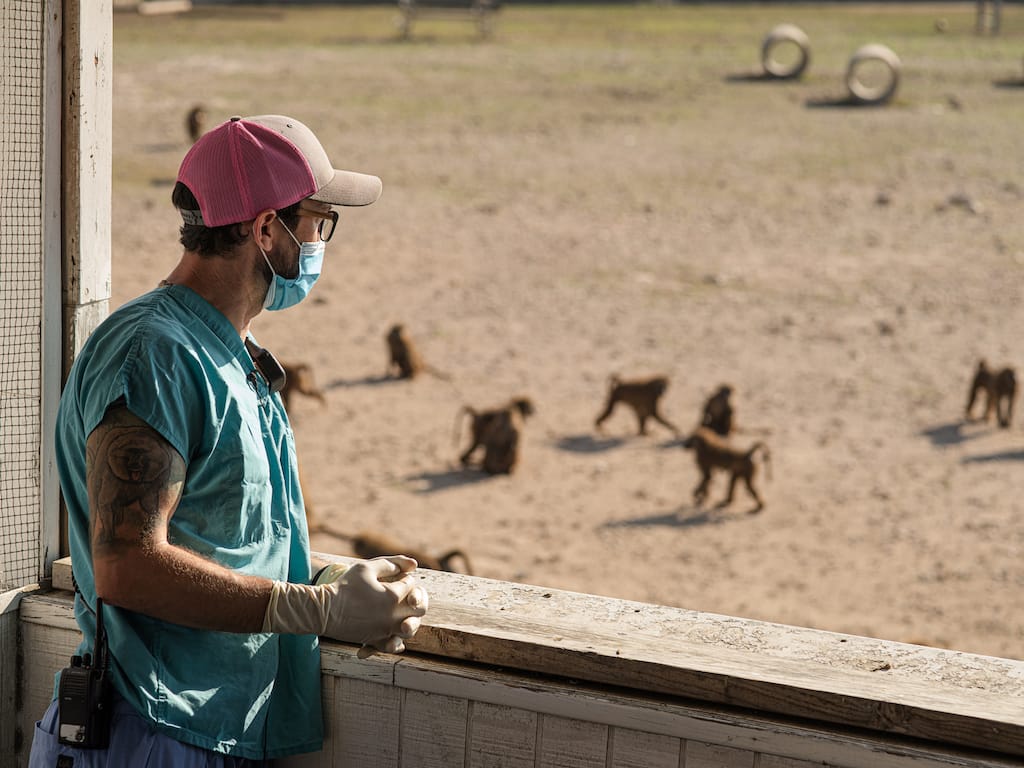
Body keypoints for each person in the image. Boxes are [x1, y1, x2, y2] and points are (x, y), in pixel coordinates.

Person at [29, 115, 429, 767]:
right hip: (151, 732)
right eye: (317, 221)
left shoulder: (228, 353)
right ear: (266, 228)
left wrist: (335, 580)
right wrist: (320, 610)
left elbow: (226, 536)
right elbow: (127, 566)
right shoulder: (152, 355)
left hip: (206, 732)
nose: (320, 240)